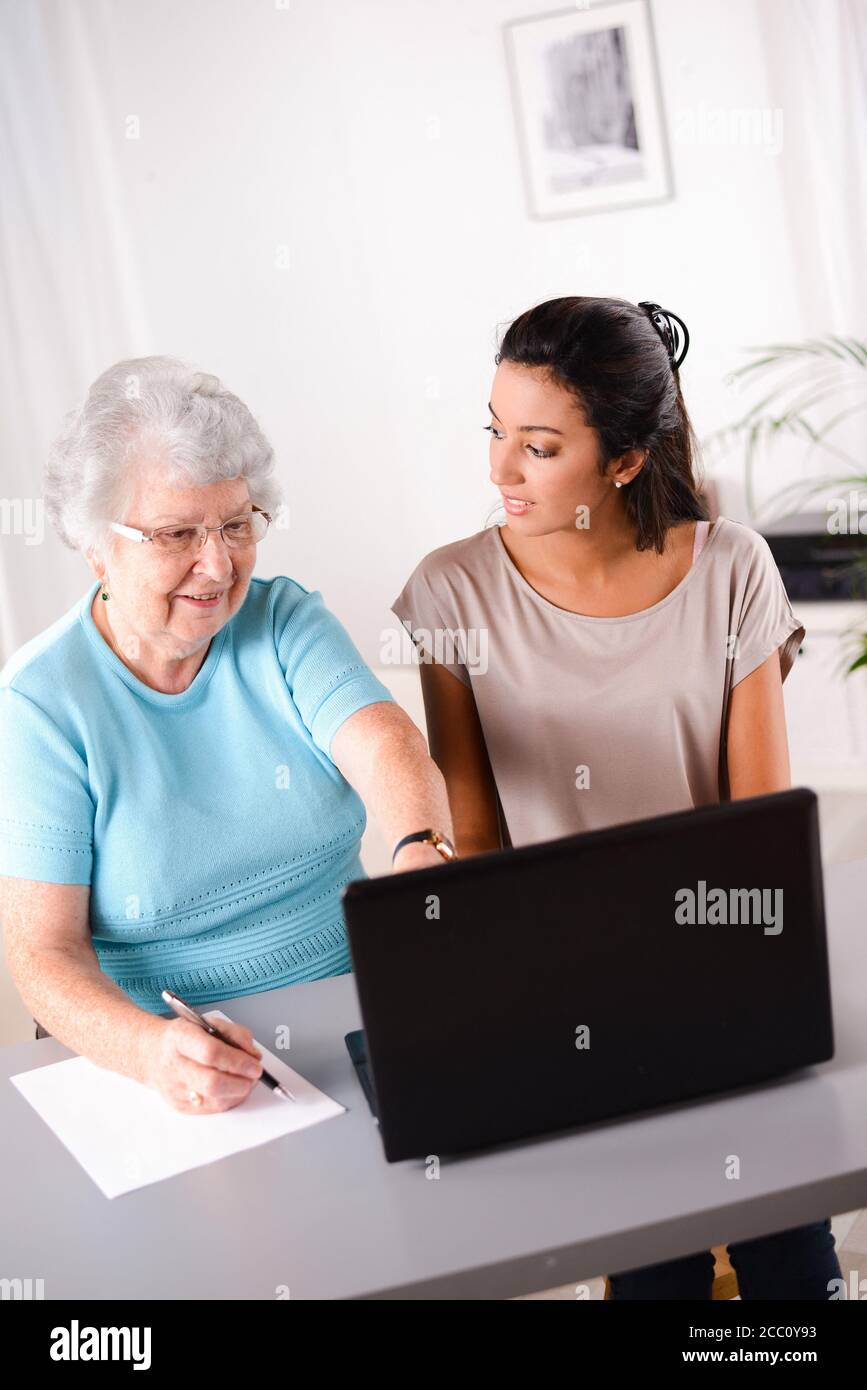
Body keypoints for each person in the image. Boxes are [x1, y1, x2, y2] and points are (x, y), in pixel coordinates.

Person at [390, 296, 841, 1299]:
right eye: (495, 433)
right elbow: (482, 847)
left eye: (538, 446)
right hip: (569, 993)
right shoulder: (453, 592)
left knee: (794, 1274)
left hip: (726, 966)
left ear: (626, 459)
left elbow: (757, 828)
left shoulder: (732, 568)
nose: (500, 470)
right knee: (653, 1280)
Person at [0, 356, 454, 1116]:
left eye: (236, 525)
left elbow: (385, 744)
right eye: (178, 533)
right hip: (176, 1059)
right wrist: (151, 1053)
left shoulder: (282, 622)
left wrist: (419, 849)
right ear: (94, 544)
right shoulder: (43, 702)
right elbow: (43, 954)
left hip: (362, 1011)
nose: (218, 564)